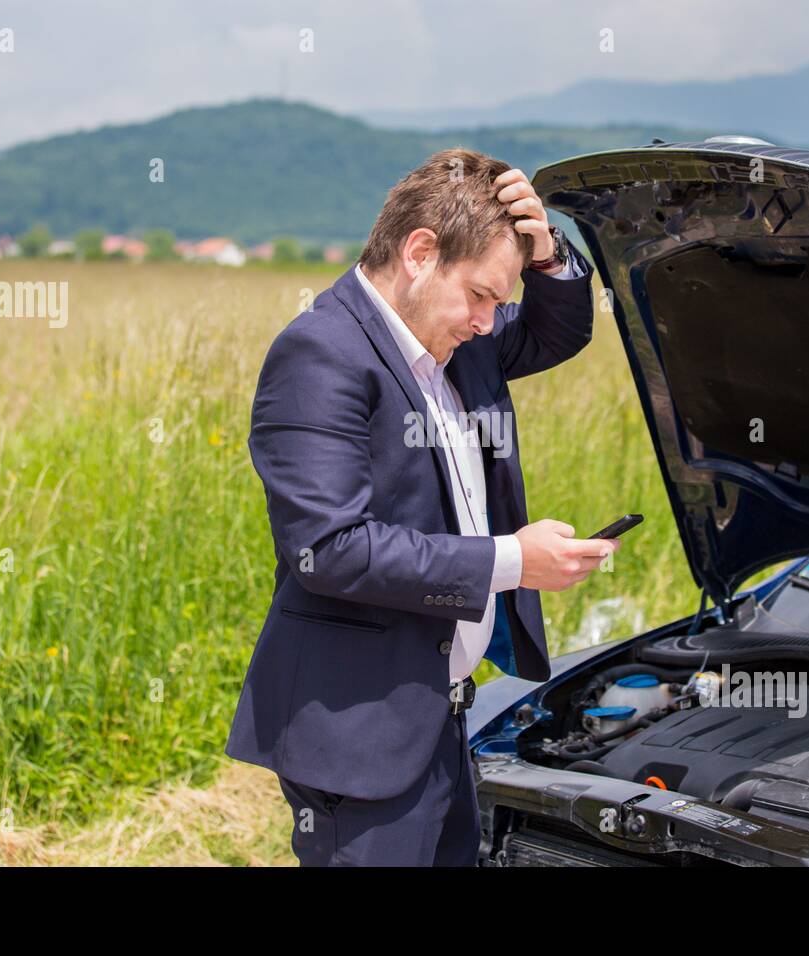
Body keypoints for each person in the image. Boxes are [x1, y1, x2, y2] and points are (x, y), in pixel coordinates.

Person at [224, 147, 619, 865]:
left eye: (498, 303)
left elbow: (560, 330)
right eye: (479, 296)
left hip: (440, 716)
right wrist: (512, 561)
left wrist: (548, 252)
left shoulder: (458, 339)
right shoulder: (321, 354)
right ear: (419, 252)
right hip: (360, 737)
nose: (487, 320)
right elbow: (332, 548)